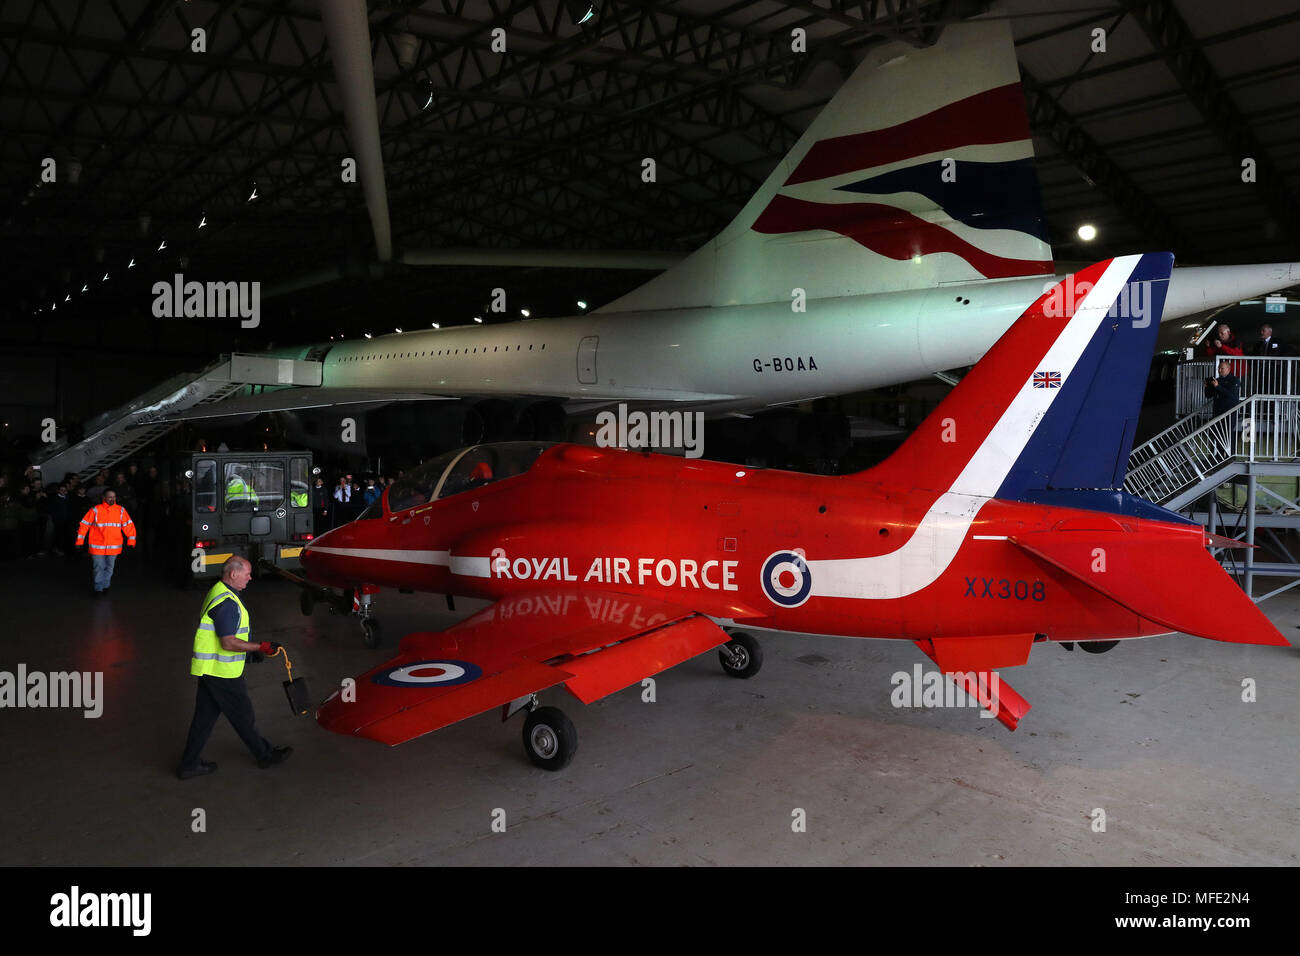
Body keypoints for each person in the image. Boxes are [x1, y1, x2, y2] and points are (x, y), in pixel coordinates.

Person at [177, 555, 292, 779]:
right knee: (242, 715)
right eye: (247, 573)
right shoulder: (228, 603)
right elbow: (228, 642)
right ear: (233, 574)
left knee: (204, 718)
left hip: (210, 669)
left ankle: (189, 764)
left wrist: (249, 653)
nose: (250, 578)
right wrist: (260, 647)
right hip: (222, 673)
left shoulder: (219, 591)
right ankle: (264, 754)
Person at [74, 488, 137, 595]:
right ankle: (98, 588)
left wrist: (131, 541)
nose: (112, 499)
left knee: (109, 567)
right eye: (109, 497)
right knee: (99, 567)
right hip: (97, 546)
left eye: (114, 497)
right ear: (104, 498)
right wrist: (79, 541)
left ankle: (106, 585)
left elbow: (129, 526)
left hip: (114, 546)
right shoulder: (95, 510)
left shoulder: (120, 510)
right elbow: (84, 525)